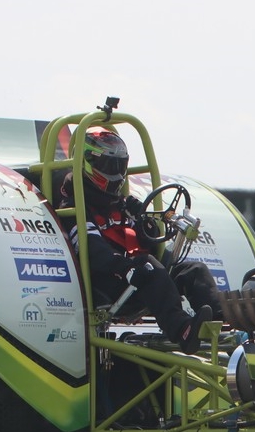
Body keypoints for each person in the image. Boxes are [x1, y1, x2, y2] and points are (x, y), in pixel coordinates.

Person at [58, 127, 220, 354]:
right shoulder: (74, 207)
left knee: (194, 270)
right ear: (89, 164)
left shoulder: (121, 204)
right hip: (110, 282)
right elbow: (93, 250)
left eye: (120, 166)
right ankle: (182, 330)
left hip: (139, 277)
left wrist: (144, 221)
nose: (116, 173)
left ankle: (224, 324)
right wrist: (127, 267)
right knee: (150, 266)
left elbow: (149, 242)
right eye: (110, 166)